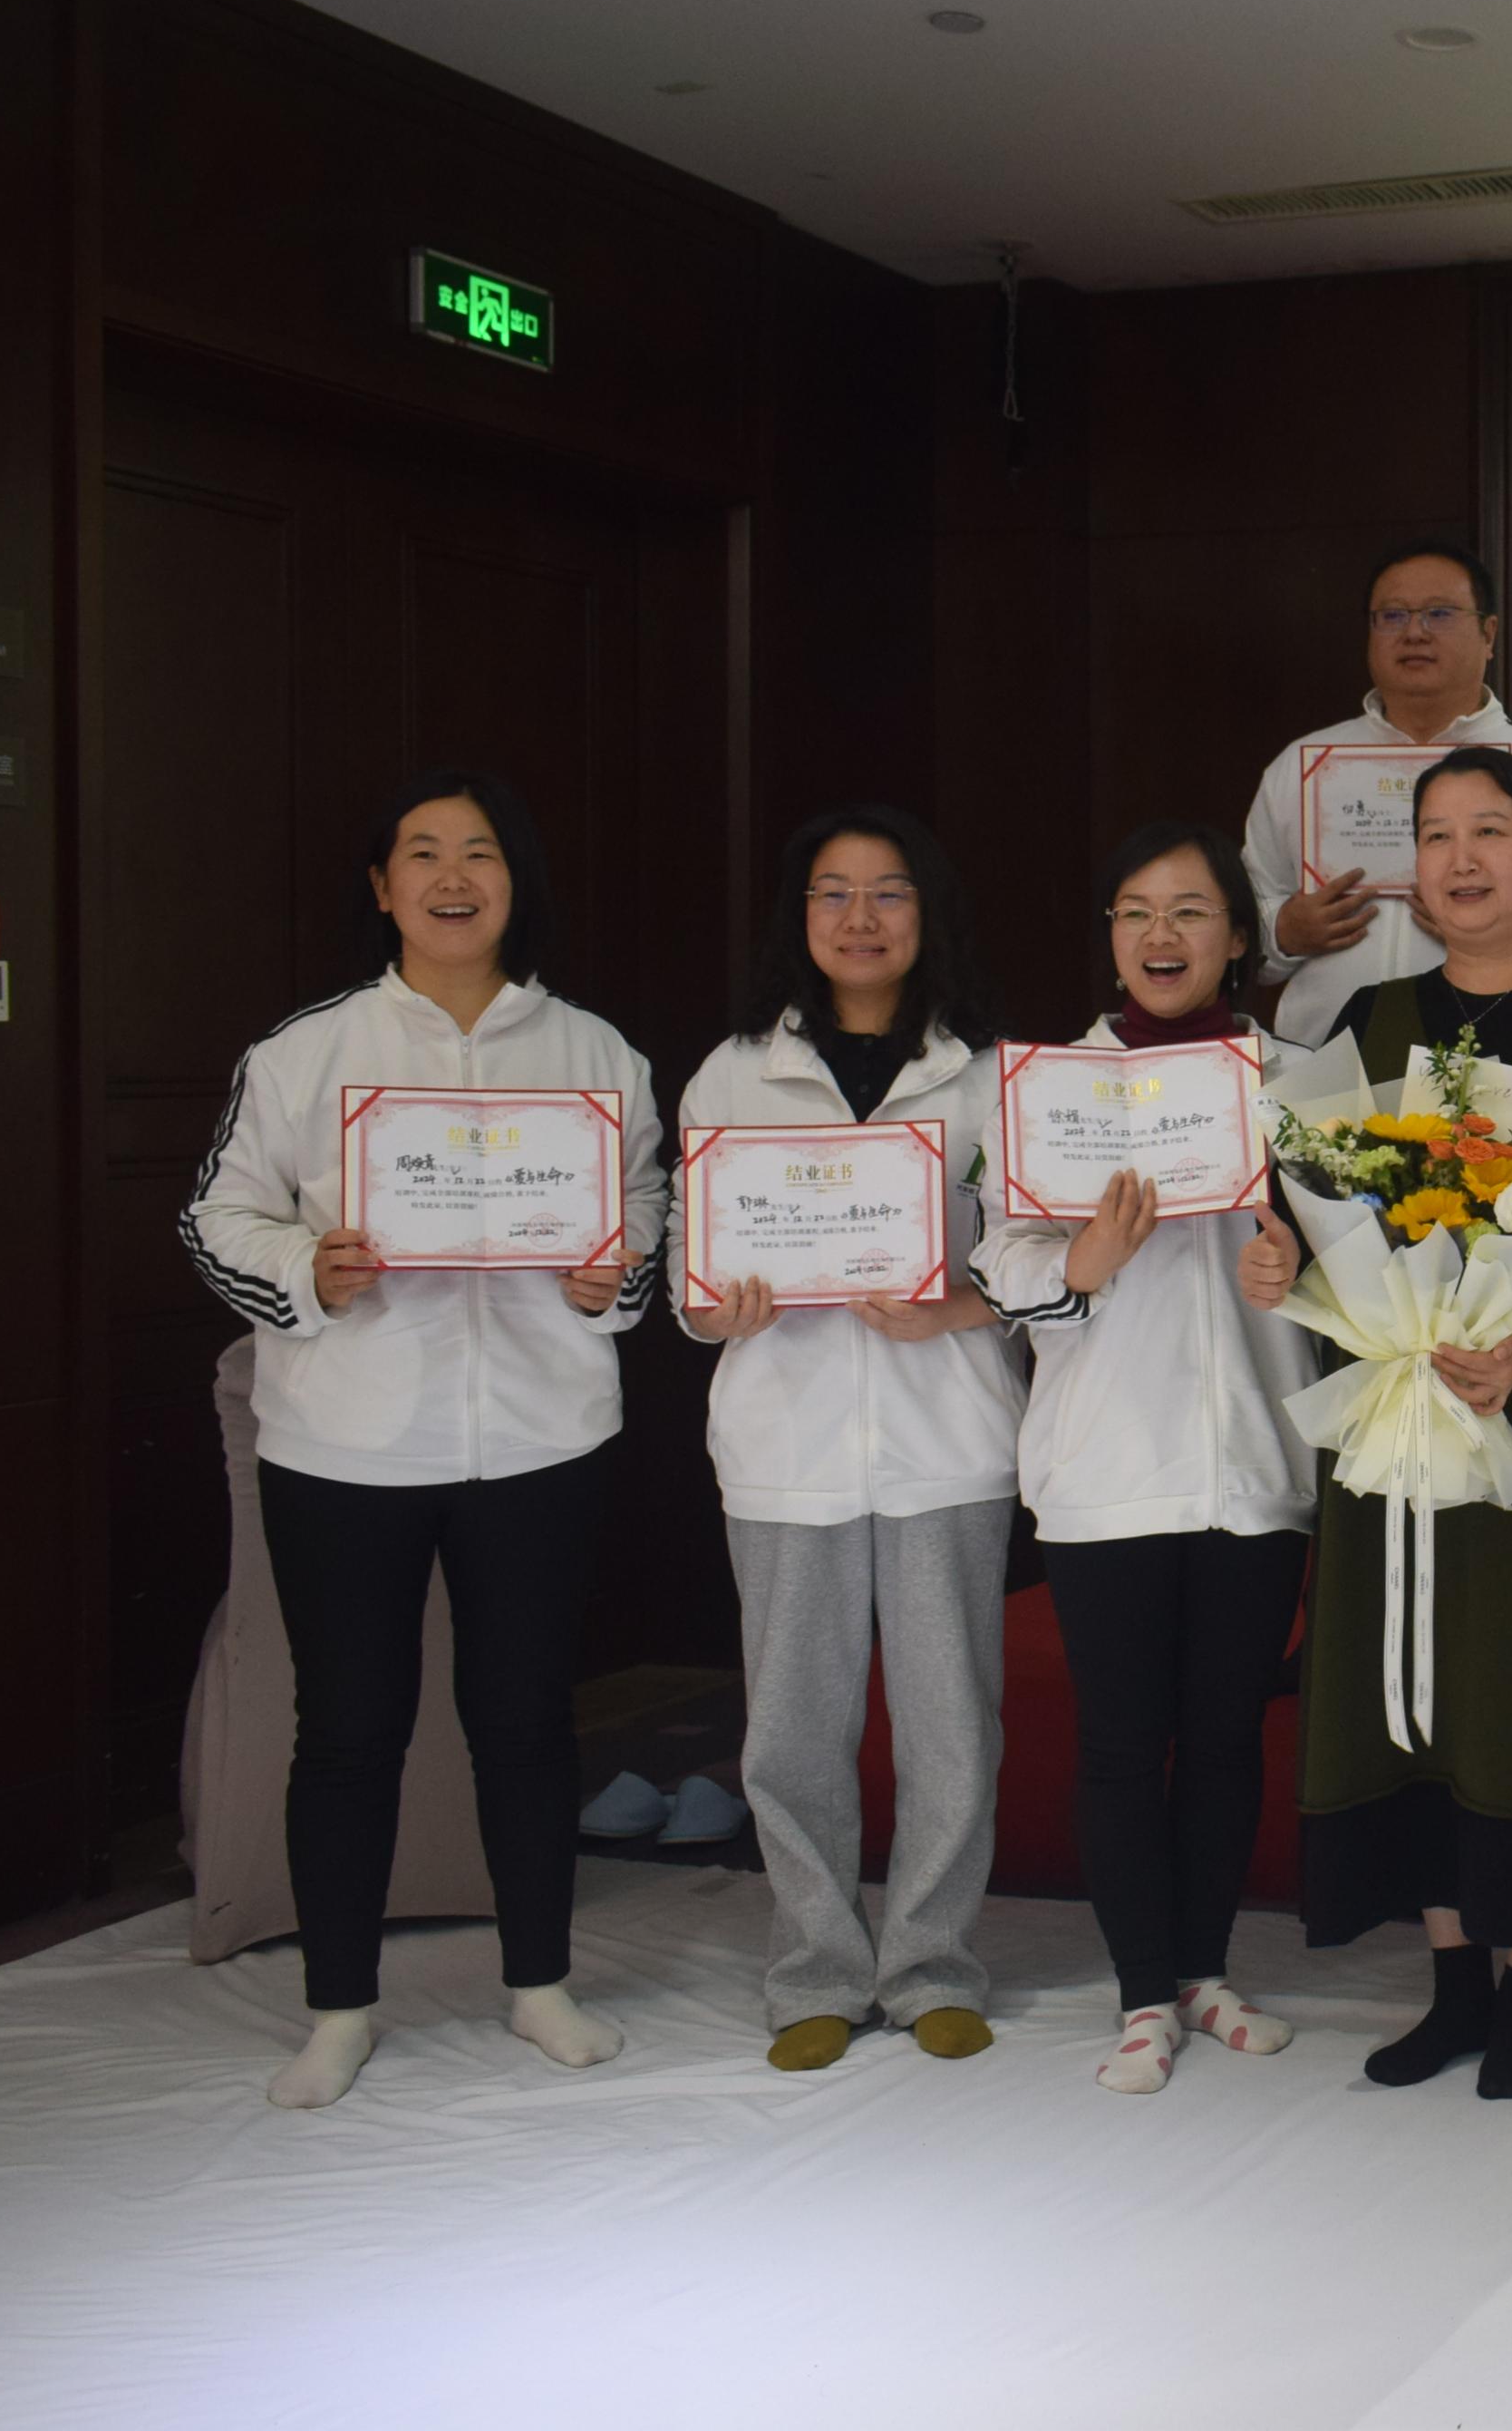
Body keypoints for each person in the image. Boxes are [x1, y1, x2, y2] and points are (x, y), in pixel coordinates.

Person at [181, 769, 667, 2110]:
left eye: (481, 853)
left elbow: (645, 1205)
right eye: (424, 854)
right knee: (347, 1728)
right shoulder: (305, 1051)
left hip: (541, 1435)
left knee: (525, 1722)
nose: (455, 877)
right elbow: (216, 1217)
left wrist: (613, 1274)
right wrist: (310, 1268)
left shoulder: (595, 1053)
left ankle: (540, 1985)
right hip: (346, 1444)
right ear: (384, 887)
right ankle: (338, 2009)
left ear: (517, 882)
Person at [1236, 747, 1512, 2098]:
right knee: (1416, 1661)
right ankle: (1451, 1984)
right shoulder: (1373, 1021)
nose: (1462, 859)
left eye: (1493, 831)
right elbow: (1310, 1193)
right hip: (1404, 1397)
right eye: (1436, 835)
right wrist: (1285, 1255)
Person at [676, 808, 1023, 2076]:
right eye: (834, 893)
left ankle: (933, 1965)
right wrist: (715, 1309)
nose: (861, 919)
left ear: (930, 915)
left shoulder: (989, 1076)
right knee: (792, 1731)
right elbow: (691, 1278)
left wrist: (958, 1307)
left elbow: (1040, 1256)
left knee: (950, 1727)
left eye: (890, 893)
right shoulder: (733, 1074)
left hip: (949, 1435)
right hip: (786, 1443)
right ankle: (816, 1969)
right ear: (800, 915)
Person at [974, 824, 1318, 2095]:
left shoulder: (1296, 1082)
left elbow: (1372, 1256)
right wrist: (1082, 1263)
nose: (1160, 936)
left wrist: (1304, 1266)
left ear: (1237, 935)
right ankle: (1138, 1994)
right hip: (1106, 1466)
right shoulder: (1048, 1091)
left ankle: (1203, 1971)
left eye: (1188, 911)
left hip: (1252, 1461)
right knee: (1122, 1743)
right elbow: (998, 1261)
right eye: (1134, 912)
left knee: (1224, 1739)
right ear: (1111, 937)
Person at [1243, 542, 1512, 1041]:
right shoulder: (1301, 767)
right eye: (1392, 616)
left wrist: (1503, 931)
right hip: (1326, 1059)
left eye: (1439, 613)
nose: (1414, 633)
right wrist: (1284, 932)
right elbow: (1237, 923)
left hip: (1506, 1061)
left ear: (1489, 634)